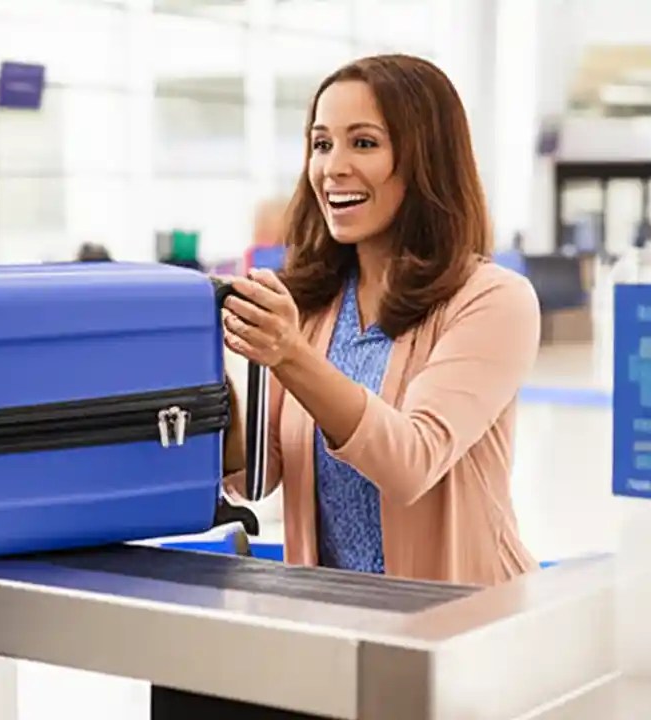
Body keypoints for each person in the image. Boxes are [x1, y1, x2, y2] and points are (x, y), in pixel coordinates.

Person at [220, 54, 541, 587]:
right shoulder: (315, 303)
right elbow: (260, 473)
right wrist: (203, 379)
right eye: (322, 144)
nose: (332, 167)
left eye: (363, 143)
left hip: (469, 626)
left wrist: (290, 354)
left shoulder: (494, 300)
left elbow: (410, 462)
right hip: (339, 623)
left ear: (425, 160)